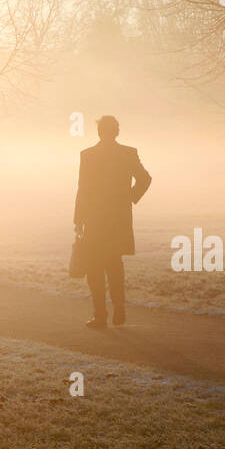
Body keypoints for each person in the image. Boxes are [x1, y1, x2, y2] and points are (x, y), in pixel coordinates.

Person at [73, 115, 151, 328]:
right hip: (118, 219)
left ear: (99, 132)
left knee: (94, 268)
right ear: (116, 132)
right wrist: (130, 198)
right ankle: (120, 307)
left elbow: (83, 190)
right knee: (114, 264)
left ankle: (100, 315)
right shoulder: (128, 154)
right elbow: (145, 179)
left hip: (94, 219)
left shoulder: (88, 155)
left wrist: (78, 219)